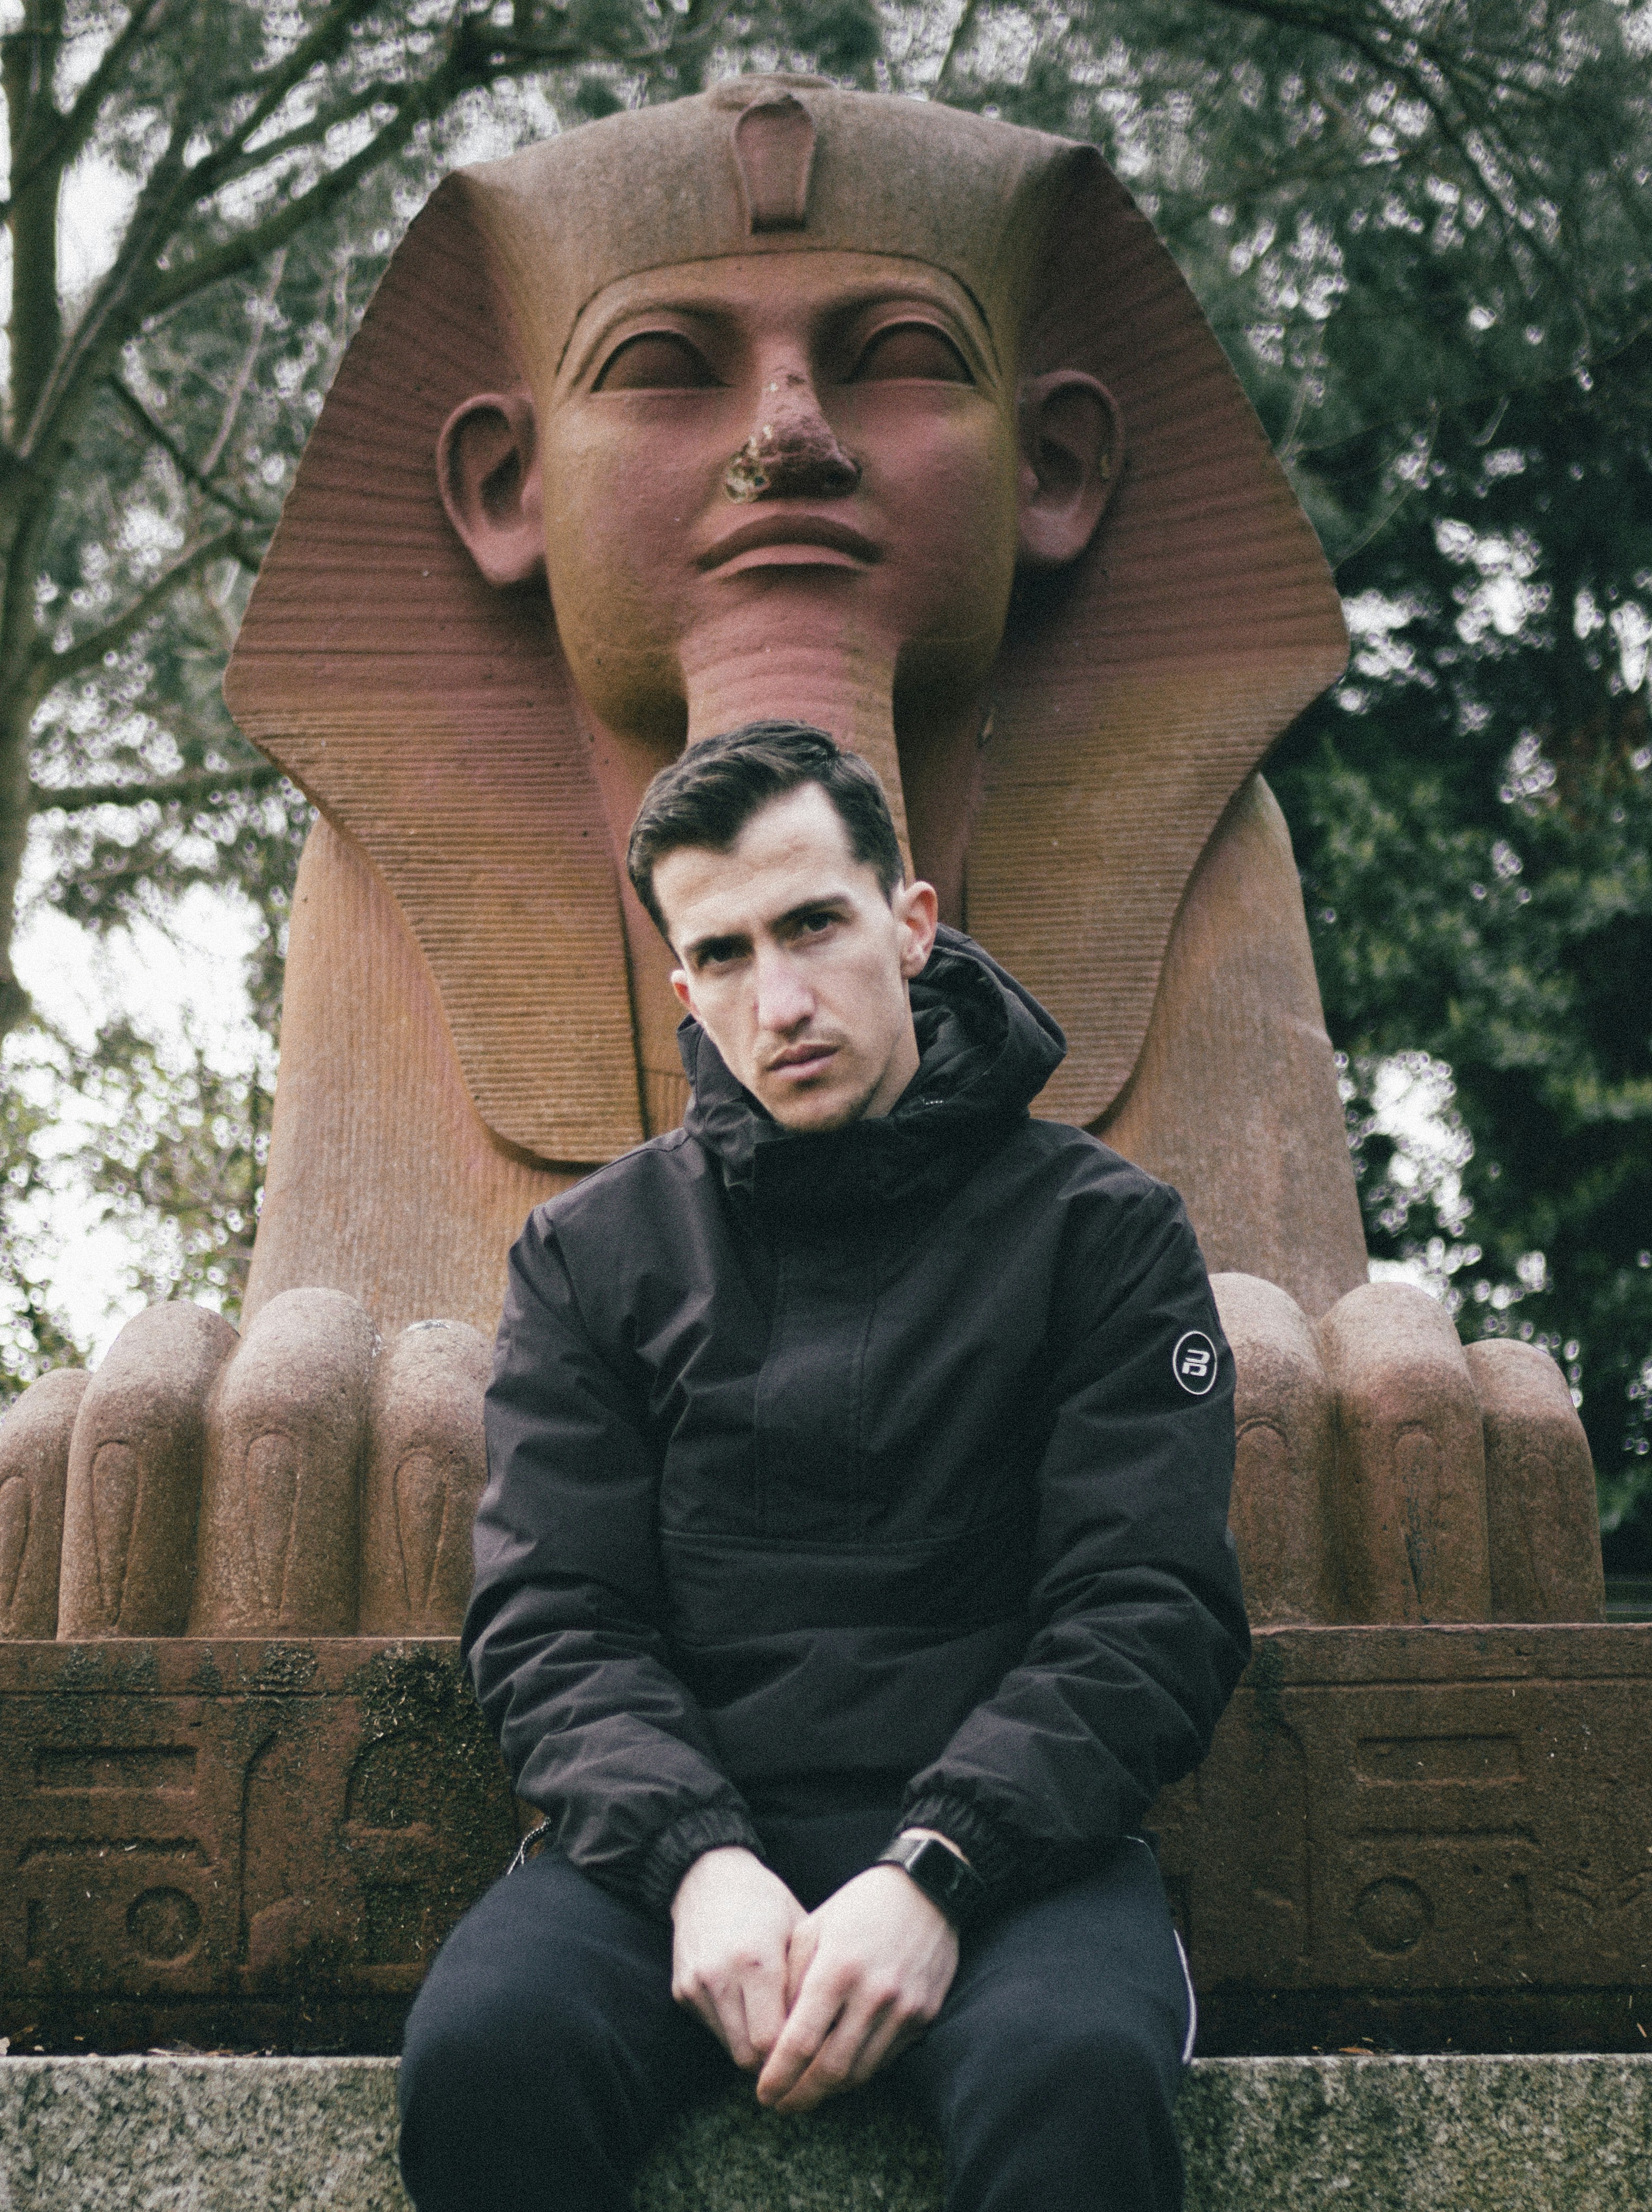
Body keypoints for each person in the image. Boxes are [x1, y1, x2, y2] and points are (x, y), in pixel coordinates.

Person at [397, 720, 1250, 2212]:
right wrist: (695, 1861)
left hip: (1016, 1856)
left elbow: (1146, 1609)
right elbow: (553, 1618)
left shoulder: (1105, 1236)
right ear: (682, 985)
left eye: (815, 925)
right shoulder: (594, 1258)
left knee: (1076, 2090)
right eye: (722, 954)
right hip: (669, 1848)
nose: (778, 997)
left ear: (910, 925)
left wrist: (939, 1872)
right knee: (488, 2057)